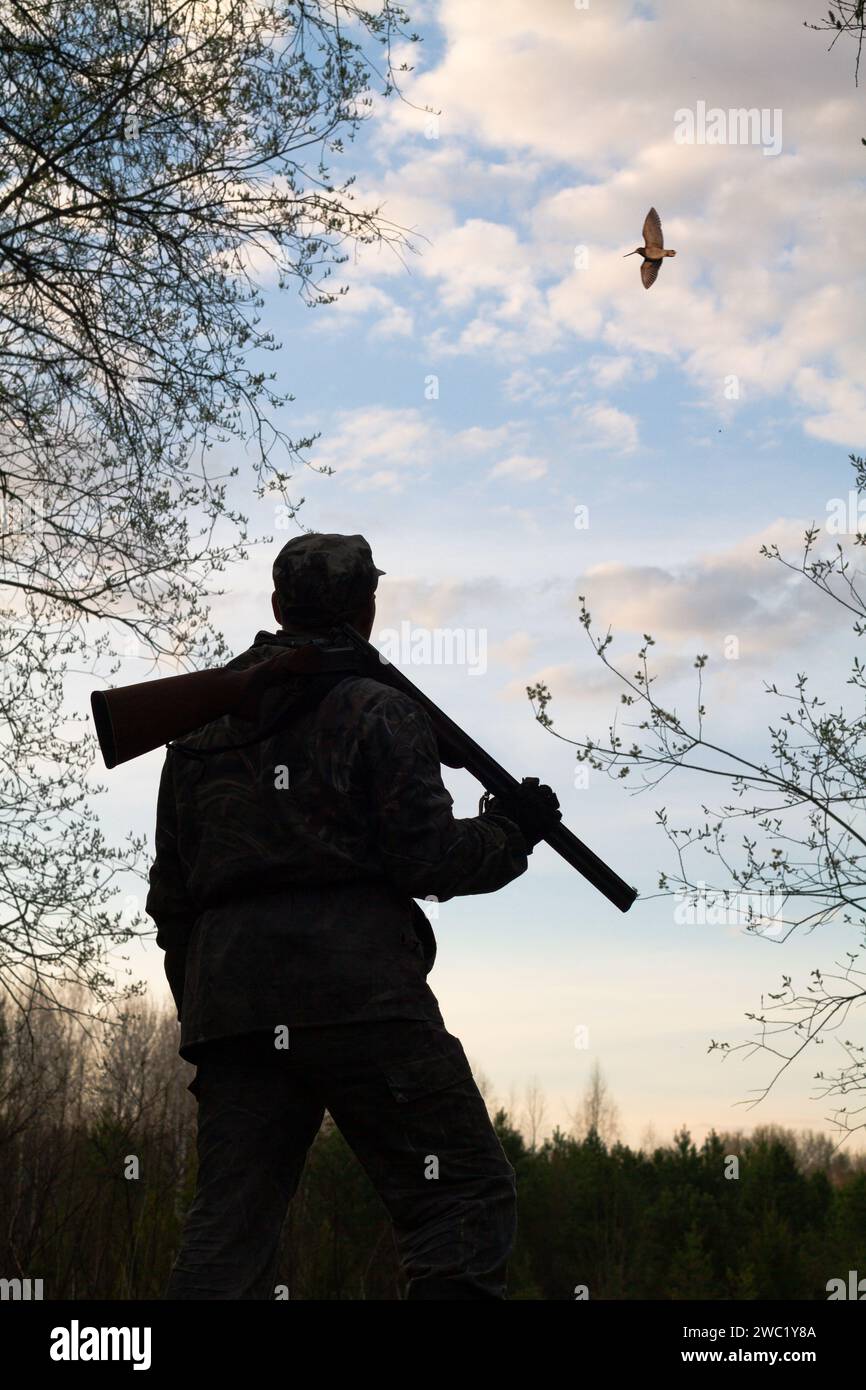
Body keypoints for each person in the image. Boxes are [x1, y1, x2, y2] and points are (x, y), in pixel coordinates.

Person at [146, 532, 559, 1300]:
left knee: (226, 1239)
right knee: (460, 1197)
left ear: (277, 606)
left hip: (230, 1002)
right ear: (368, 608)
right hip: (358, 993)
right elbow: (427, 859)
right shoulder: (378, 708)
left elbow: (171, 897)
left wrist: (208, 1010)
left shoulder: (199, 723)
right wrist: (509, 833)